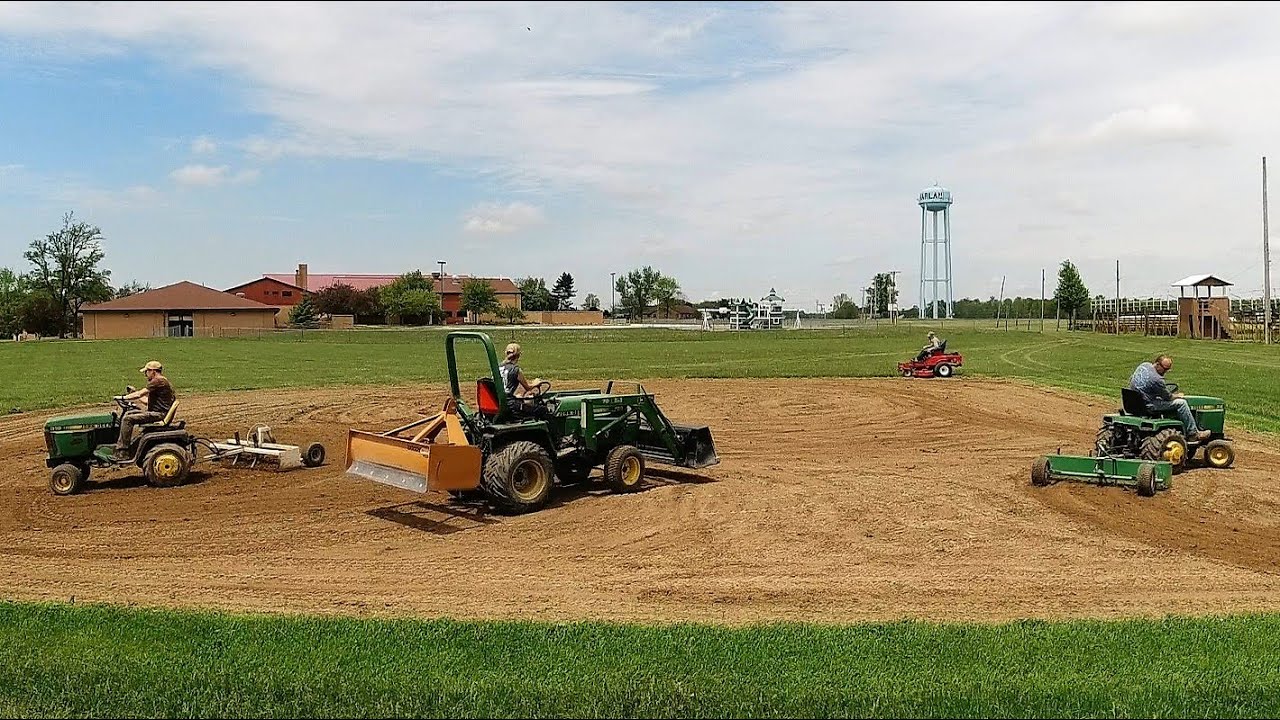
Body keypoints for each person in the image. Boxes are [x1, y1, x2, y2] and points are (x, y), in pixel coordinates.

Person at [1128, 354, 1211, 442]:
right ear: (1157, 364)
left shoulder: (1144, 365)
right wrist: (1178, 396)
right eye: (1165, 369)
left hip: (1136, 401)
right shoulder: (1157, 380)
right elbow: (1168, 397)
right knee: (1181, 403)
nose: (1165, 372)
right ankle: (1193, 433)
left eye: (1168, 369)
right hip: (1149, 405)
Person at [114, 360, 177, 459]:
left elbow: (140, 394)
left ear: (153, 371)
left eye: (146, 372)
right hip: (158, 412)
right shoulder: (163, 381)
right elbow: (147, 401)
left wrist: (122, 398)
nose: (145, 375)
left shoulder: (158, 381)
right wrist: (133, 394)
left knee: (127, 419)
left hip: (159, 414)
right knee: (130, 413)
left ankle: (123, 451)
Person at [498, 343, 552, 418]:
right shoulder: (516, 370)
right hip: (510, 405)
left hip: (499, 401)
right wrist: (536, 383)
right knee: (543, 409)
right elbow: (528, 388)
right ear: (519, 355)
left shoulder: (498, 367)